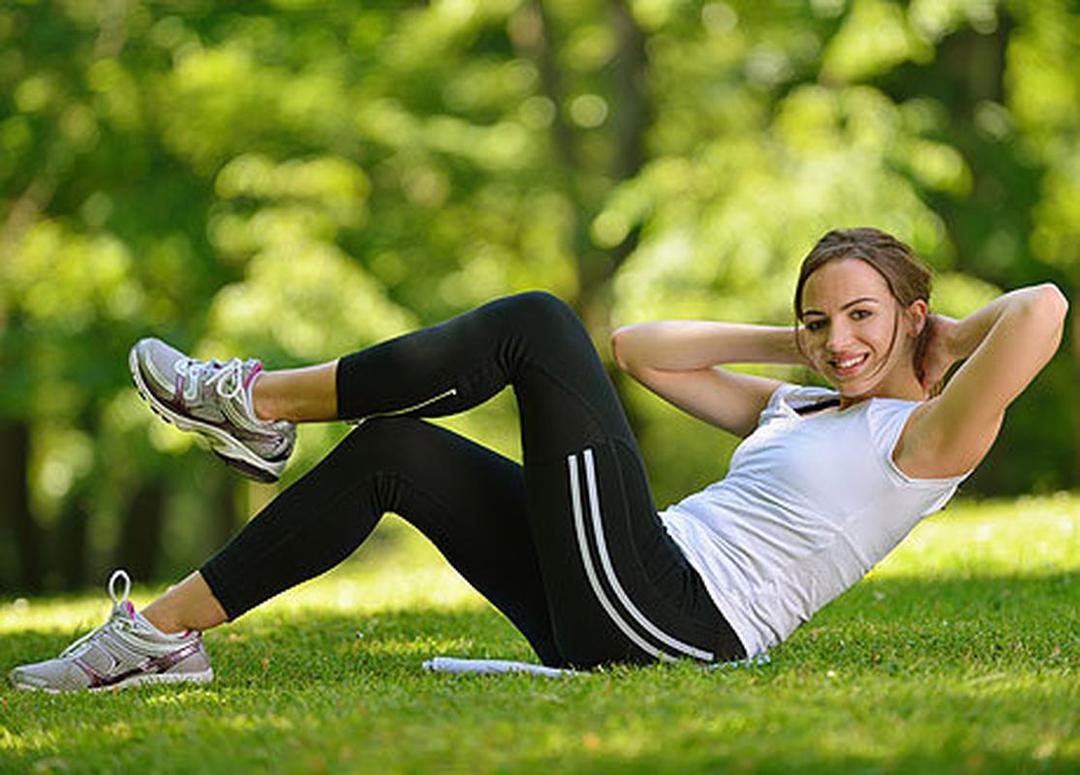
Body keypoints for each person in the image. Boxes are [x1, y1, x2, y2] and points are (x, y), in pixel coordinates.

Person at [9, 227, 1068, 692]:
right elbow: (643, 350)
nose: (839, 340)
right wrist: (796, 339)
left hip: (679, 621)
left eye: (864, 317)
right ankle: (155, 638)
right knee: (396, 452)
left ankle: (260, 402)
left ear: (914, 315)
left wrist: (935, 340)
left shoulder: (925, 441)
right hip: (630, 581)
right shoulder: (798, 401)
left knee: (533, 324)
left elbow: (1044, 309)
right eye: (820, 318)